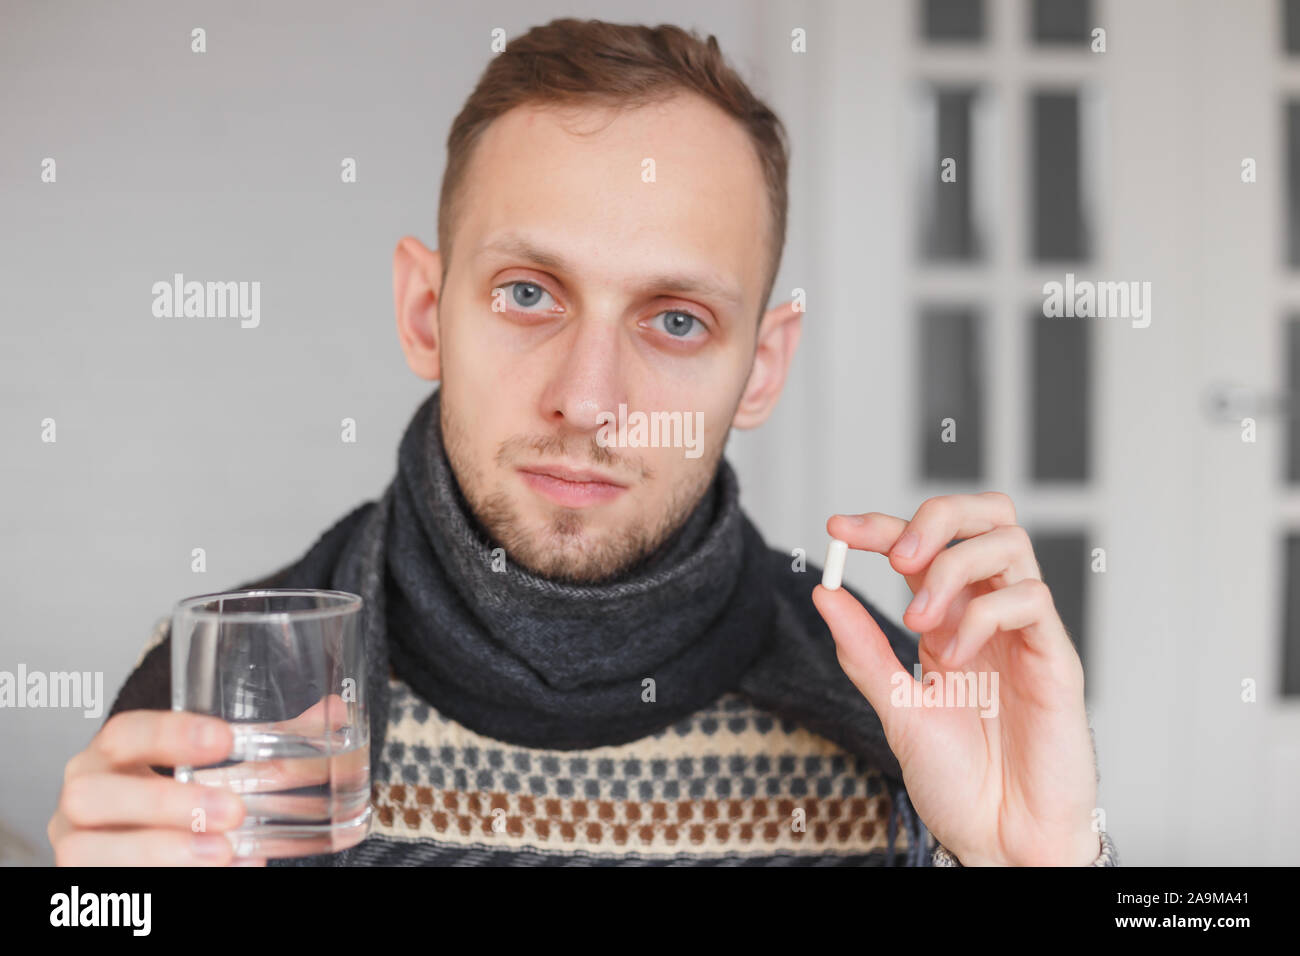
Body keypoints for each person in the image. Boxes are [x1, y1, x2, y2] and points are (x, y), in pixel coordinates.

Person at [48, 17, 1116, 867]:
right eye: (527, 293)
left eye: (676, 319)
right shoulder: (215, 705)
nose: (589, 401)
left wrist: (1041, 865)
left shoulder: (906, 725)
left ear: (762, 367)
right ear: (424, 313)